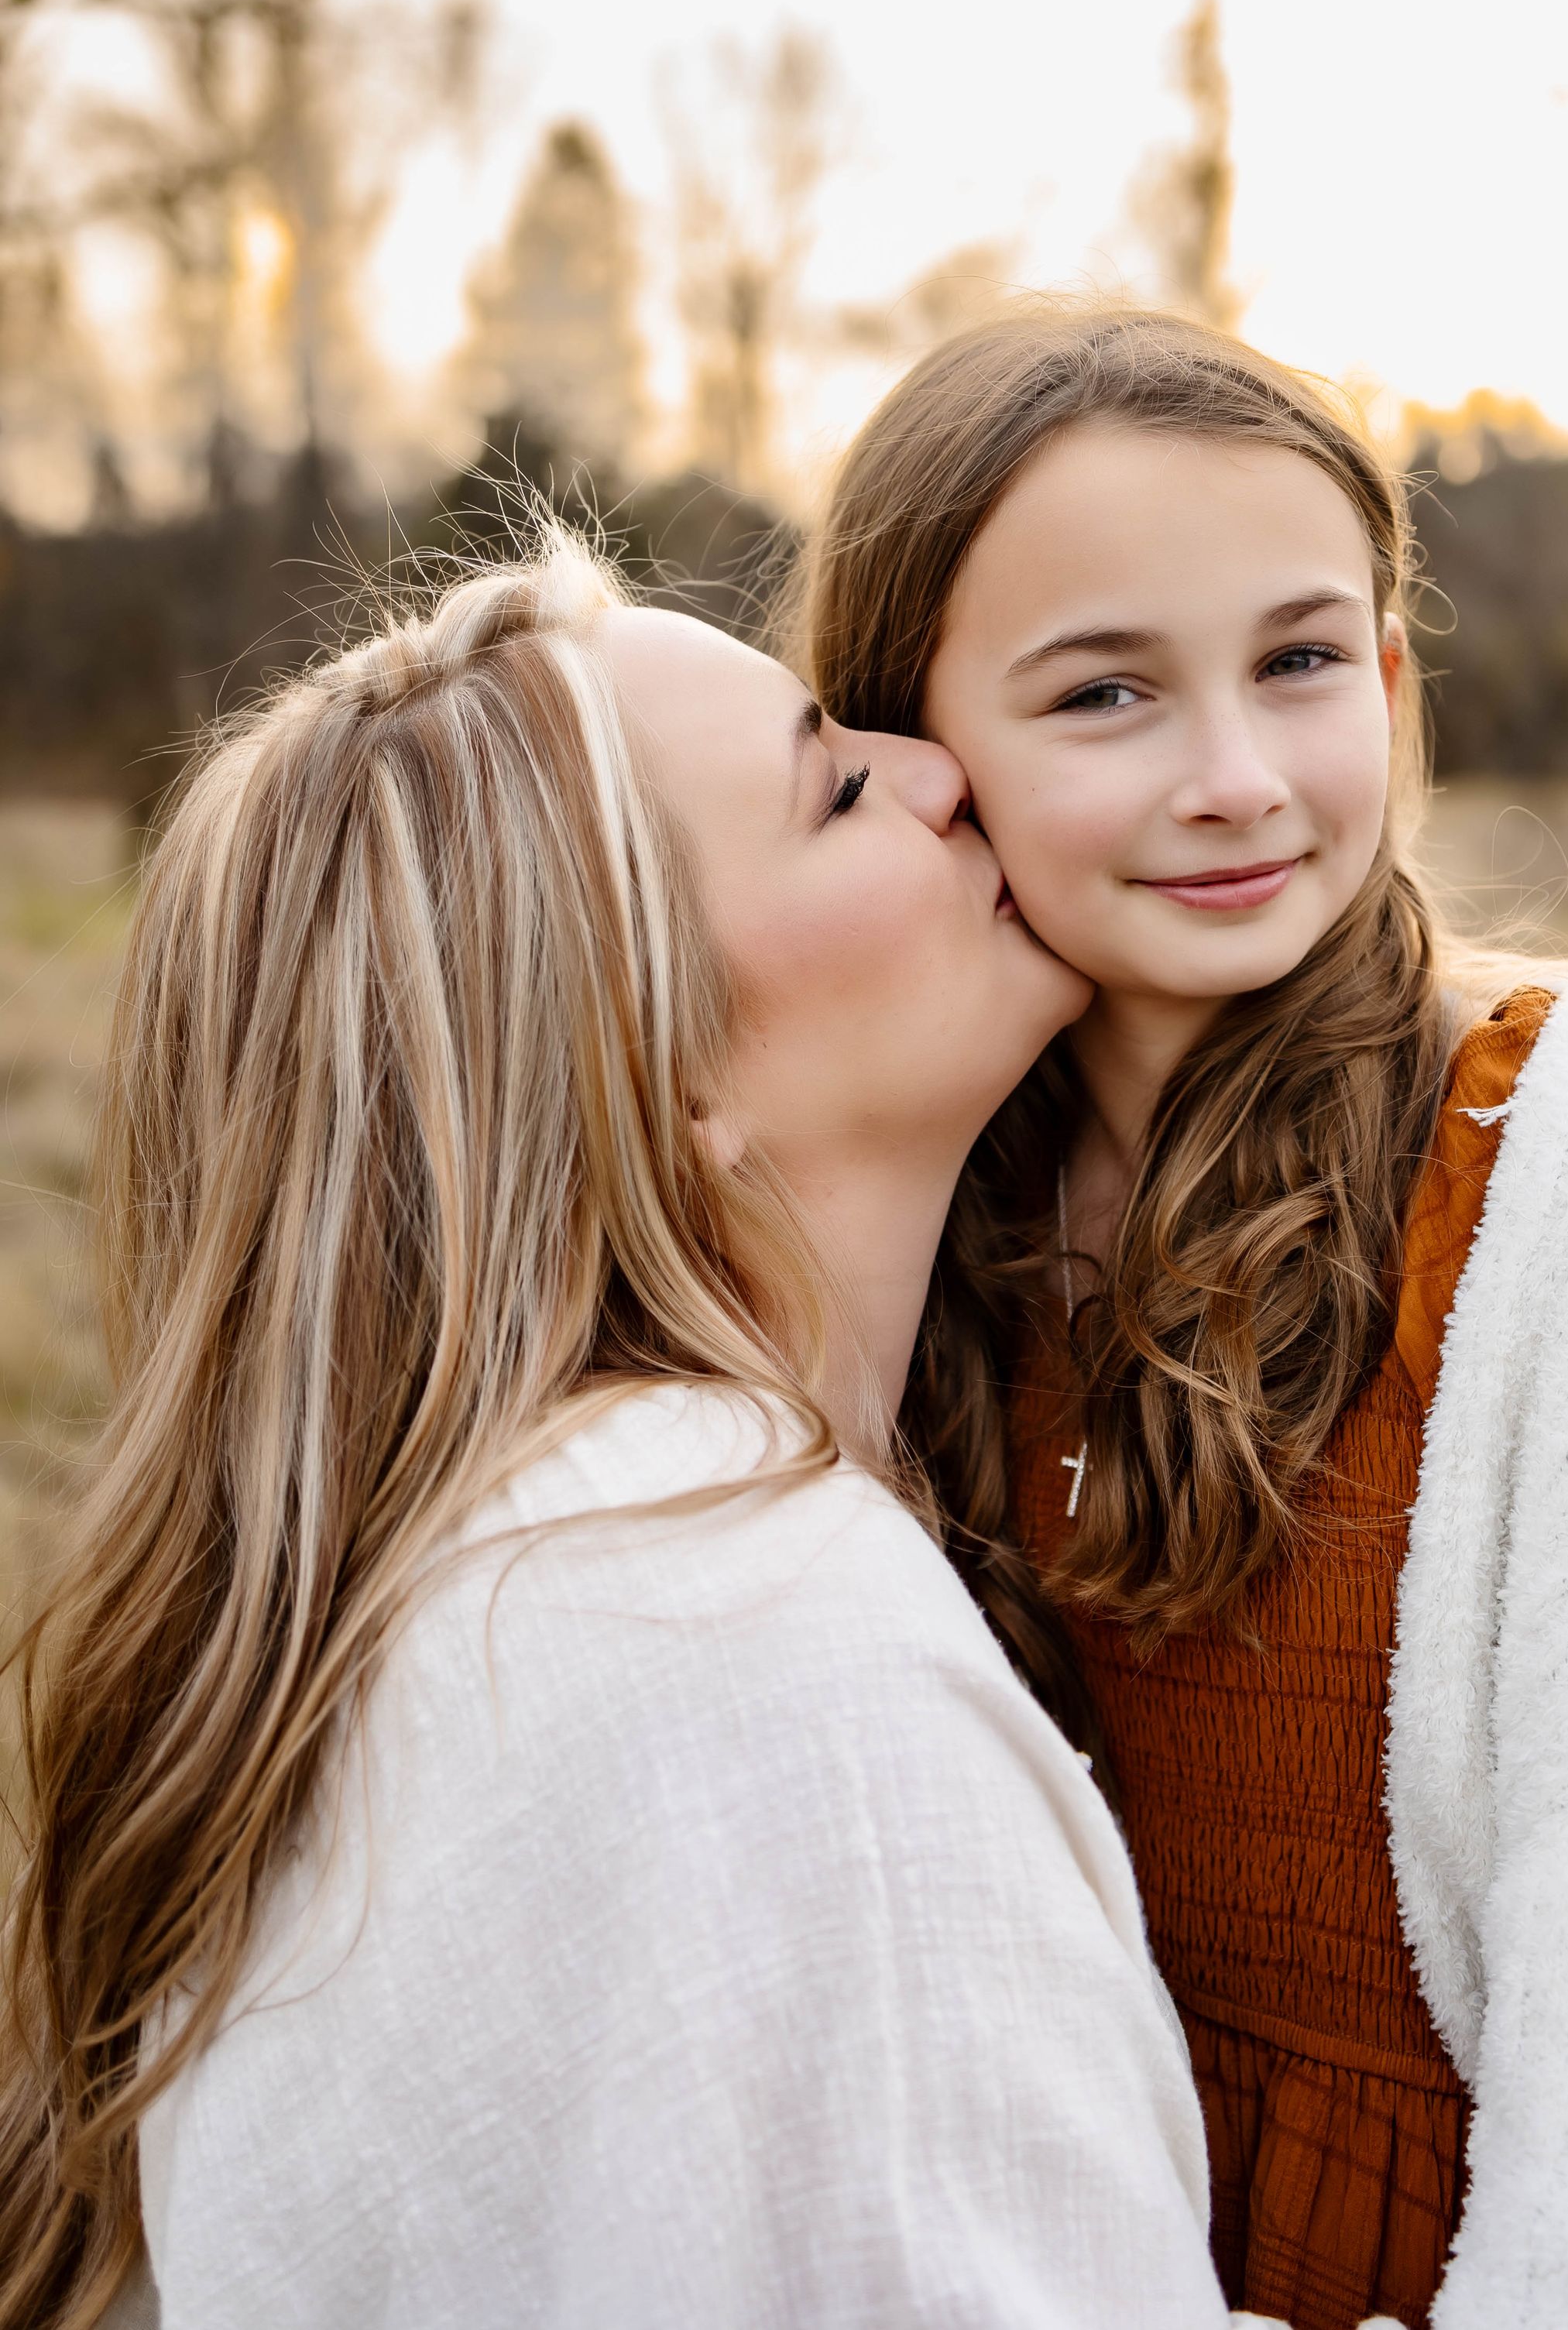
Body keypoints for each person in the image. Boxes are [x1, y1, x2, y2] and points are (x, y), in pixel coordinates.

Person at [0, 535, 1275, 2330]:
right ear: (666, 1066)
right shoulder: (737, 1643)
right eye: (837, 788)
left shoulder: (502, 1584)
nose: (937, 773)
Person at [805, 304, 1568, 2330]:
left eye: (1300, 660)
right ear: (910, 752)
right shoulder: (895, 1177)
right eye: (1103, 692)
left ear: (1393, 678)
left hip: (1526, 2206)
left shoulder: (1564, 1131)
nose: (1235, 778)